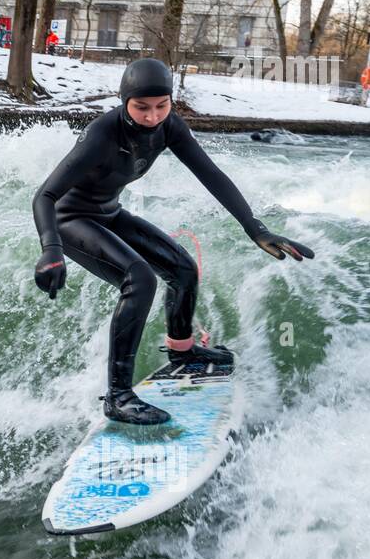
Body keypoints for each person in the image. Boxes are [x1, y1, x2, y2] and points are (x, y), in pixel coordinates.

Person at [32, 58, 315, 425]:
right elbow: (45, 196)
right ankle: (117, 397)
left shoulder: (169, 127)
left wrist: (255, 228)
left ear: (171, 101)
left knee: (182, 268)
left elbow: (210, 174)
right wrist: (51, 250)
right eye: (141, 108)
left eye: (162, 106)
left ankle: (182, 352)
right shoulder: (103, 133)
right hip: (70, 220)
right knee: (140, 278)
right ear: (124, 102)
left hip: (107, 213)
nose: (152, 117)